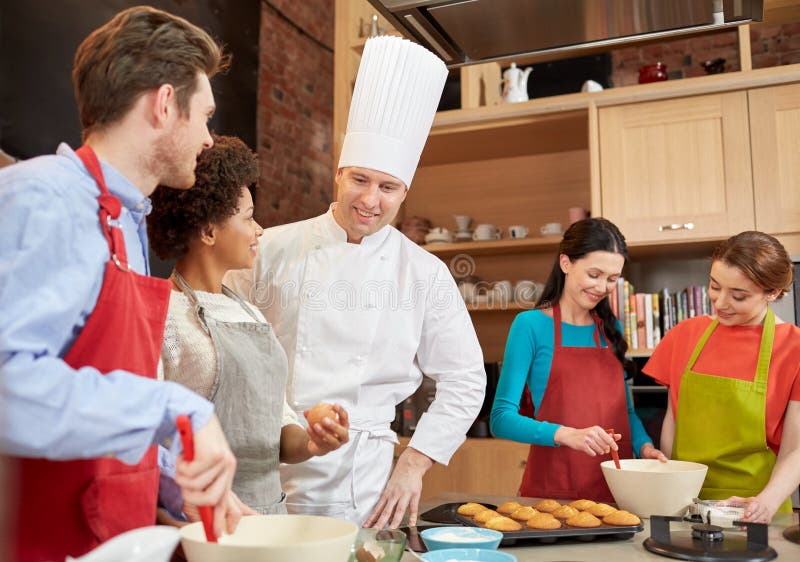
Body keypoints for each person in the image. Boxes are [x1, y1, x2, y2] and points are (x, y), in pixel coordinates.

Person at [0, 7, 239, 560]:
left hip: (110, 537)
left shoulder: (127, 222)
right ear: (162, 104)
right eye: (204, 117)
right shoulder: (45, 200)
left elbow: (101, 388)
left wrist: (176, 484)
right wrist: (177, 411)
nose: (208, 139)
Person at [225, 36, 486, 528]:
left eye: (388, 187)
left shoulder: (423, 271)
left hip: (363, 478)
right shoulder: (269, 248)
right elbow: (227, 350)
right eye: (360, 180)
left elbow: (466, 378)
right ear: (337, 175)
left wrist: (415, 461)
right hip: (263, 464)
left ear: (405, 192)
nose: (371, 199)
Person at [147, 134, 351, 519]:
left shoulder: (250, 314)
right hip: (203, 526)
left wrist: (312, 441)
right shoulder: (164, 315)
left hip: (268, 520)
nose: (259, 230)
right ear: (208, 231)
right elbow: (148, 446)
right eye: (247, 217)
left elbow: (277, 426)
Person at [490, 218, 667, 502]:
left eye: (612, 279)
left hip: (617, 490)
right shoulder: (530, 325)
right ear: (566, 263)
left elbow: (625, 413)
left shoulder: (611, 329)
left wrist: (645, 446)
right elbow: (501, 419)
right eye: (594, 274)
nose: (602, 287)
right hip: (554, 492)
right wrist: (566, 434)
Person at [644, 231, 800, 523]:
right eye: (715, 286)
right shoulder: (684, 335)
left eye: (738, 295)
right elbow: (673, 421)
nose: (720, 303)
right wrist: (668, 487)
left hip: (755, 506)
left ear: (773, 293)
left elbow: (796, 448)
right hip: (683, 502)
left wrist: (766, 502)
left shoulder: (795, 348)